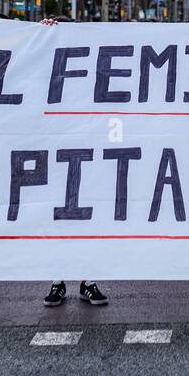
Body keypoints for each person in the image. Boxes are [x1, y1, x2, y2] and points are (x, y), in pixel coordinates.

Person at [35, 16, 110, 308]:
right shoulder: (49, 69)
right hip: (56, 159)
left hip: (88, 160)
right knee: (58, 222)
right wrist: (41, 33)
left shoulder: (97, 69)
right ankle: (58, 281)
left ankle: (87, 281)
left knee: (86, 222)